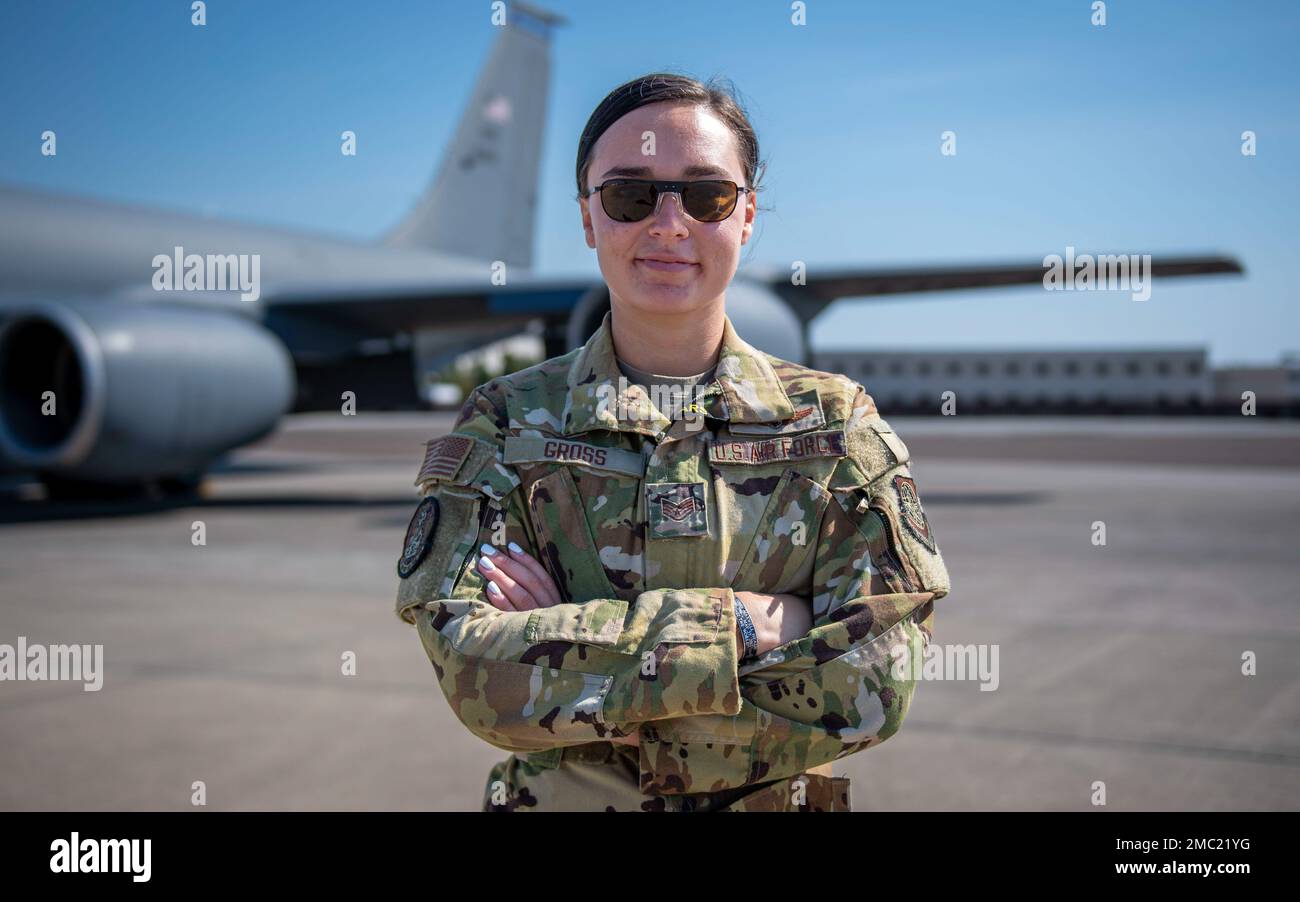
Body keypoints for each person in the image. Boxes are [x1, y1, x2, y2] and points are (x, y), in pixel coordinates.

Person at [394, 72, 951, 812]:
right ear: (589, 218)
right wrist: (752, 624)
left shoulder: (832, 424)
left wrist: (568, 656)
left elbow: (874, 687)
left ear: (745, 215)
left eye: (706, 195)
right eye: (629, 195)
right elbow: (478, 681)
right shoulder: (505, 422)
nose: (667, 224)